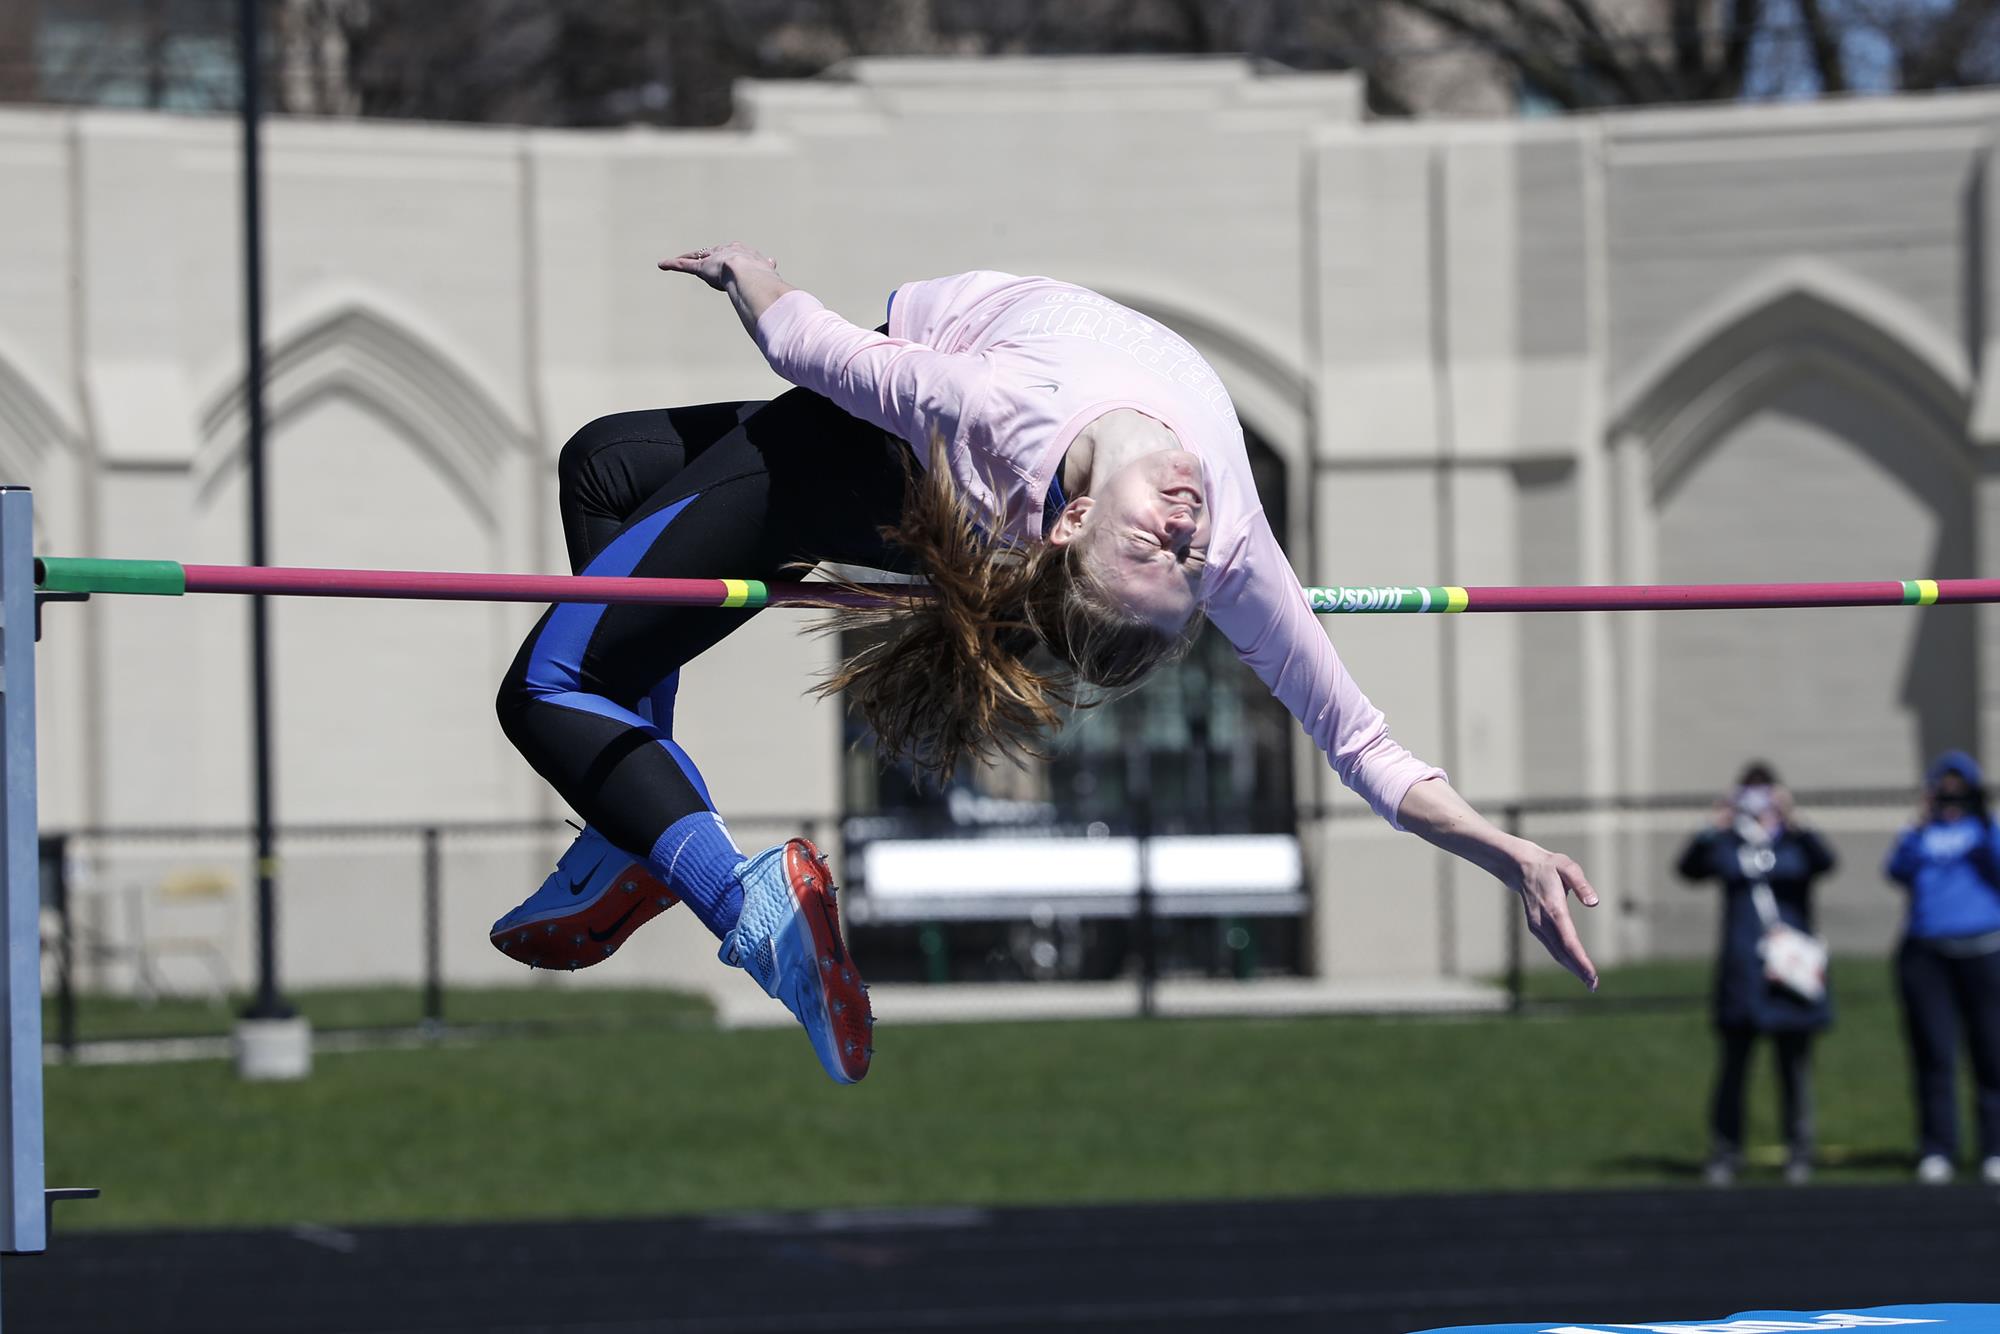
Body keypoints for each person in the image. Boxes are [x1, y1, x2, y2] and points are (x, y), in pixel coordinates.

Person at [489, 242, 1604, 1084]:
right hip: (912, 461)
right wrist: (1503, 848)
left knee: (547, 686)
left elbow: (805, 346)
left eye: (1155, 547)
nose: (1183, 525)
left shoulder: (992, 408)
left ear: (1070, 523)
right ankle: (632, 826)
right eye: (1183, 549)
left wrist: (749, 268)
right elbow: (1363, 744)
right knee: (605, 466)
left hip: (866, 454)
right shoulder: (1232, 545)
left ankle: (742, 902)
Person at [1675, 763, 1836, 1186]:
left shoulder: (1795, 841)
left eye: (1765, 791)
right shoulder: (1728, 841)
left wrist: (1795, 818)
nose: (1758, 800)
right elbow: (1689, 869)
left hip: (1788, 974)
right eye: (1750, 791)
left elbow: (1826, 861)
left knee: (1794, 1068)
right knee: (1733, 1068)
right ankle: (1726, 1152)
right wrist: (1711, 824)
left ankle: (1799, 1151)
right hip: (1742, 971)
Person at [1884, 750, 2000, 1186]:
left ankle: (1994, 1148)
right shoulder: (1919, 835)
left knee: (1991, 1052)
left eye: (1960, 792)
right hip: (1927, 955)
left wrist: (1984, 823)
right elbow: (1896, 870)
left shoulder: (1986, 832)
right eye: (1944, 792)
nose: (1952, 801)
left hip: (1985, 951)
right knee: (1934, 1052)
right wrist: (1918, 824)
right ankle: (1937, 1148)